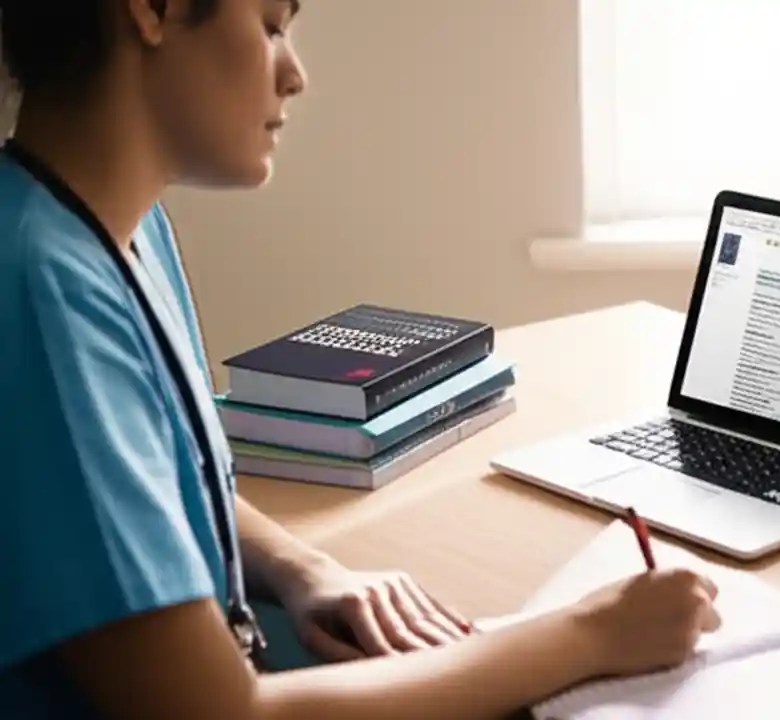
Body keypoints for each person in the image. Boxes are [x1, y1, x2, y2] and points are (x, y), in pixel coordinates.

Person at [0, 1, 722, 718]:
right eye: (272, 26)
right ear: (152, 12)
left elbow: (159, 480)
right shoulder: (43, 293)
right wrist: (590, 635)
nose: (296, 76)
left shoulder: (116, 228)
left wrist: (304, 567)